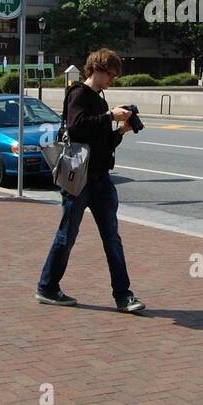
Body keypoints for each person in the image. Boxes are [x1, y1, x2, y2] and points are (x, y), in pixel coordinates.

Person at [36, 48, 145, 313]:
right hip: (80, 178)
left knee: (112, 237)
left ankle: (123, 295)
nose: (113, 80)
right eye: (111, 75)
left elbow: (101, 141)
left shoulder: (100, 100)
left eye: (115, 77)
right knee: (67, 235)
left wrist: (120, 130)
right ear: (97, 68)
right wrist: (109, 117)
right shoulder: (78, 94)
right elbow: (76, 128)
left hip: (100, 178)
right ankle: (47, 287)